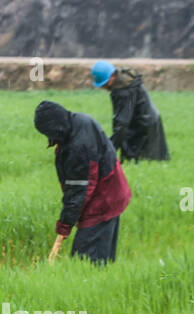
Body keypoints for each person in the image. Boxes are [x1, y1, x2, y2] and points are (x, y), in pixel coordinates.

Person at [34, 100, 130, 265]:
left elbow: (79, 190)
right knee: (102, 261)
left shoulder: (78, 146)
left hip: (102, 202)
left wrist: (64, 226)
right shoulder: (80, 120)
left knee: (85, 263)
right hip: (113, 192)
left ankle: (91, 288)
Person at [91, 60, 169, 162]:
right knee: (146, 162)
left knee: (144, 162)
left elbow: (122, 123)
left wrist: (109, 150)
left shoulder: (123, 91)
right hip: (150, 122)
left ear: (112, 77)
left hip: (143, 128)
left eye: (104, 84)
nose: (103, 87)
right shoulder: (126, 80)